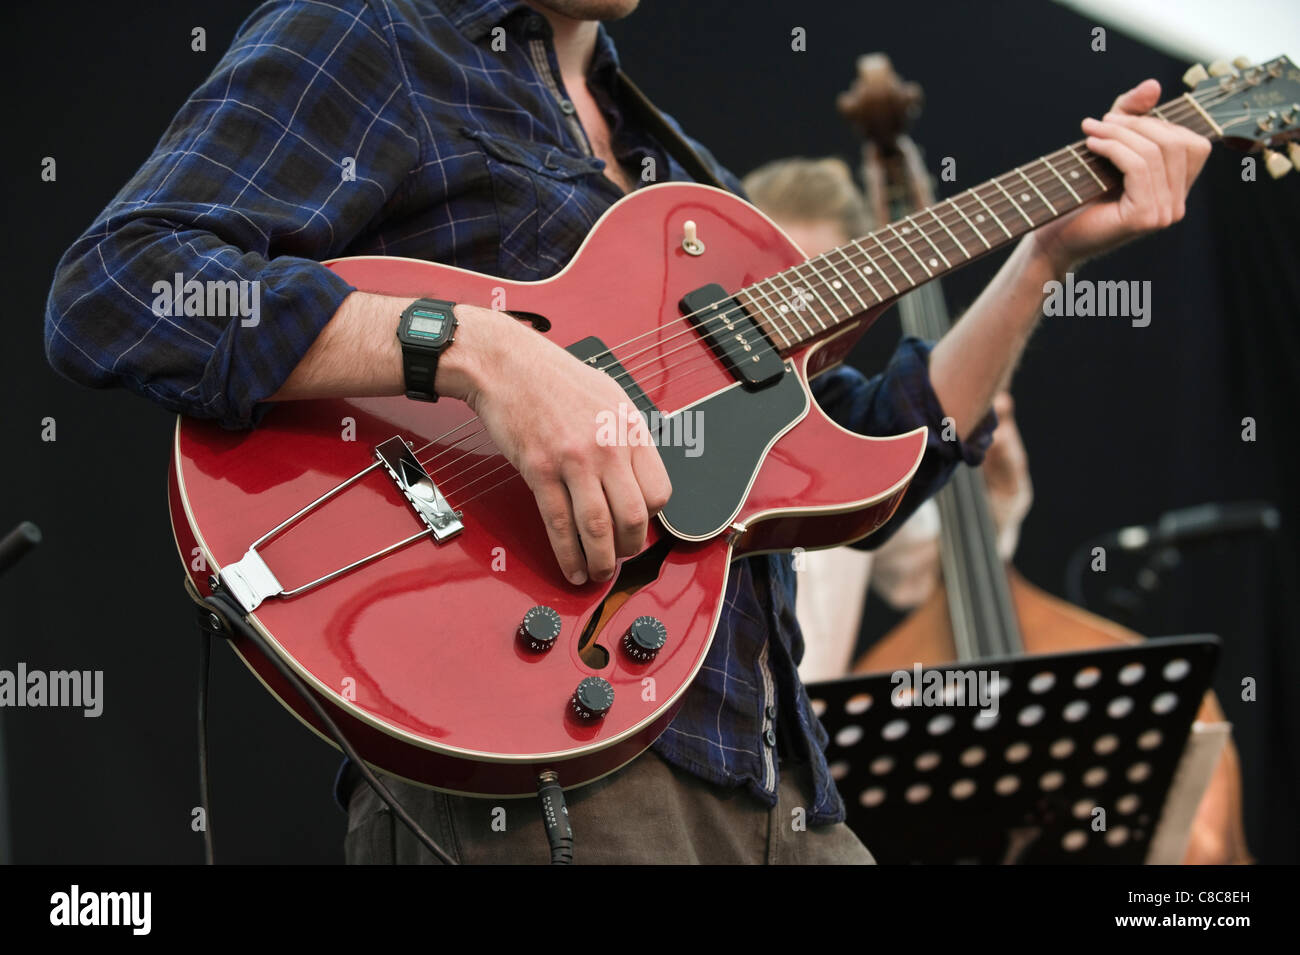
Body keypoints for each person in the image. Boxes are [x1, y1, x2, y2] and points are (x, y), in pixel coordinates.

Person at [43, 0, 1211, 864]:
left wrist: (1042, 258)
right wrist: (481, 351)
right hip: (545, 763)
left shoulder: (680, 174)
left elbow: (858, 455)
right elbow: (123, 286)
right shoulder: (377, 37)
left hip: (777, 785)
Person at [740, 157, 1034, 681]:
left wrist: (998, 497)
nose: (791, 314)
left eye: (817, 290)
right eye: (771, 283)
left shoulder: (857, 433)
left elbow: (914, 575)